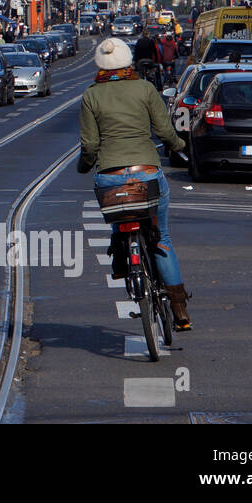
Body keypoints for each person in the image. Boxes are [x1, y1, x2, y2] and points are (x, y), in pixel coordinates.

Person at [78, 38, 192, 330]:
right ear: (129, 61)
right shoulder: (145, 89)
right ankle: (179, 310)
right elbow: (165, 130)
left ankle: (124, 261)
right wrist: (180, 145)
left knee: (120, 222)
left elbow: (90, 145)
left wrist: (85, 165)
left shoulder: (92, 96)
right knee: (161, 236)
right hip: (146, 173)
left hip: (111, 177)